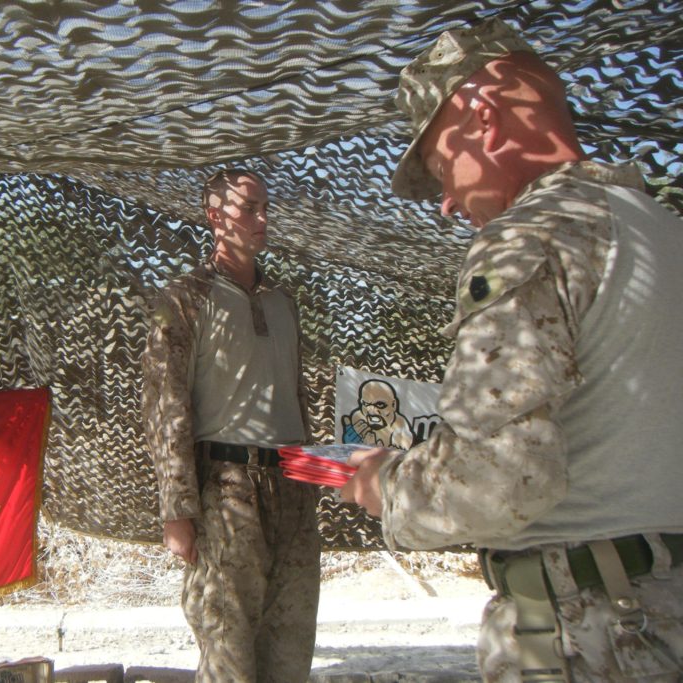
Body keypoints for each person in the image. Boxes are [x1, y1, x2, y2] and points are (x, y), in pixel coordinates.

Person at [340, 17, 683, 682]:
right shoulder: (660, 228)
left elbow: (499, 477)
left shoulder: (530, 236)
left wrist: (386, 483)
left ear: (484, 116)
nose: (444, 202)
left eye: (441, 165)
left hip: (583, 635)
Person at [141, 168, 321, 682]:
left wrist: (315, 478)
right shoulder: (185, 299)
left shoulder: (283, 302)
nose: (262, 219)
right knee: (229, 653)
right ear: (216, 216)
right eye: (249, 208)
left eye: (265, 208)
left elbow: (296, 398)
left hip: (292, 490)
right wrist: (177, 509)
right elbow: (165, 403)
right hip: (227, 491)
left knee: (290, 649)